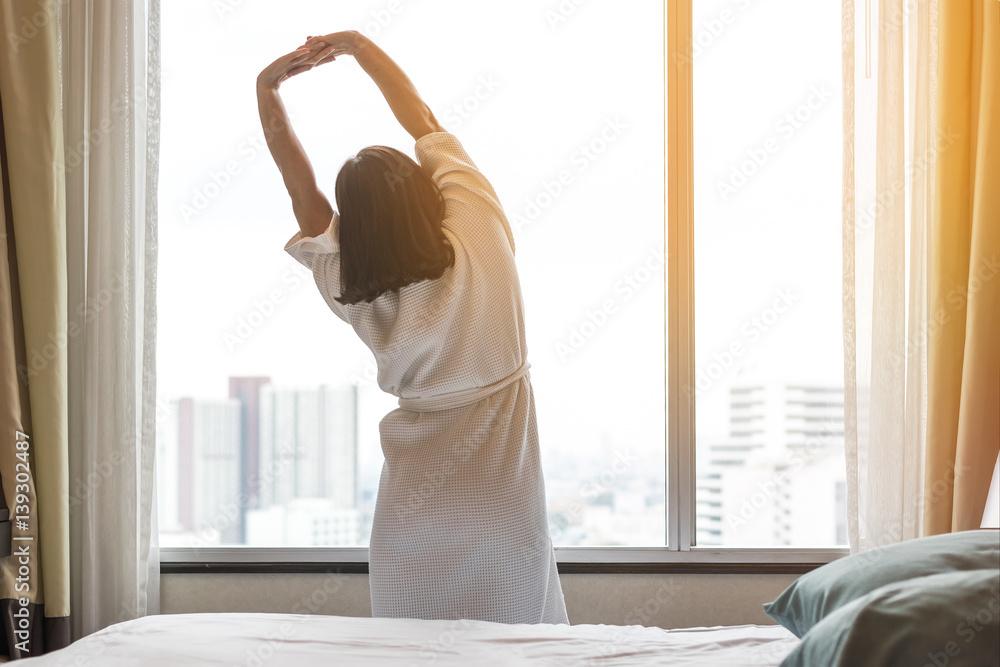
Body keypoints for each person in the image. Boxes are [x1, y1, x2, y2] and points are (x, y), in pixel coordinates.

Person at [256, 31, 568, 625]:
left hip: (413, 509)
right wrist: (356, 47)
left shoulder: (349, 279)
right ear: (427, 192)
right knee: (517, 646)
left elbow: (302, 190)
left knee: (409, 646)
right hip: (503, 500)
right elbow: (422, 120)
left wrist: (267, 89)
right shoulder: (481, 231)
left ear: (353, 224)